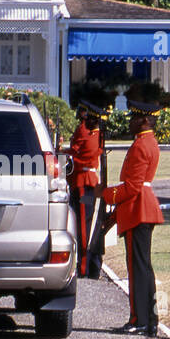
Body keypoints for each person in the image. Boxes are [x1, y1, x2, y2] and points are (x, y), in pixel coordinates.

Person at [100, 101, 165, 336]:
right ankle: (149, 319)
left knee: (138, 268)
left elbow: (133, 187)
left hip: (139, 208)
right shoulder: (146, 142)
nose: (130, 121)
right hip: (140, 207)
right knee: (143, 266)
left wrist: (105, 194)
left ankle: (140, 320)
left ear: (145, 121)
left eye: (135, 118)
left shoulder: (141, 145)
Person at [67, 101, 104, 279]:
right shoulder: (93, 133)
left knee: (83, 225)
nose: (84, 118)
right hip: (82, 181)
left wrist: (65, 156)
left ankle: (84, 267)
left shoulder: (88, 133)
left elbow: (79, 155)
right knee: (83, 223)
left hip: (84, 183)